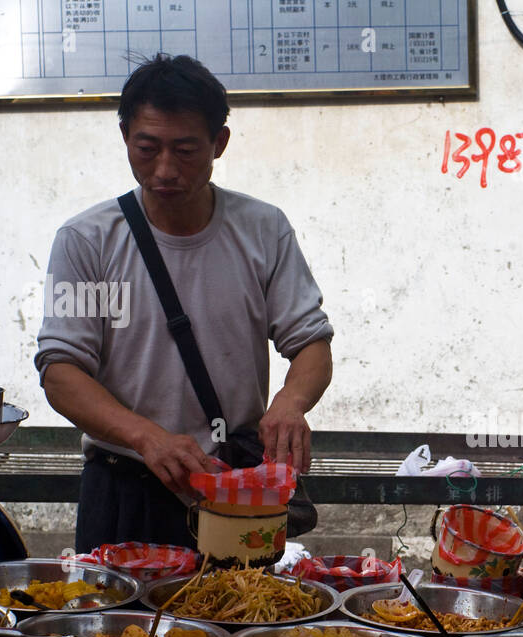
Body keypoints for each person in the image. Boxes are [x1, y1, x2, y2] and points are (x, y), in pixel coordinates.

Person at [34, 54, 333, 553]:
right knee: (118, 630)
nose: (165, 170)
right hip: (125, 487)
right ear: (126, 136)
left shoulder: (263, 229)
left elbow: (311, 343)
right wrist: (146, 437)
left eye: (186, 150)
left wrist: (290, 403)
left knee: (243, 620)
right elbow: (61, 372)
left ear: (220, 143)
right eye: (146, 149)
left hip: (233, 487)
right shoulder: (86, 240)